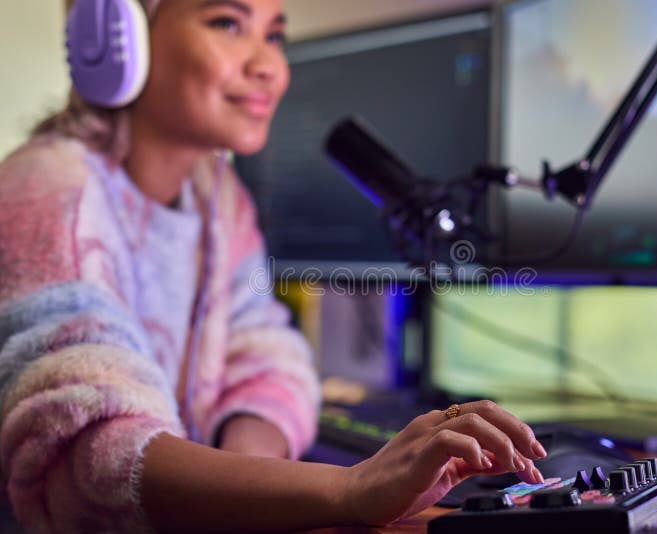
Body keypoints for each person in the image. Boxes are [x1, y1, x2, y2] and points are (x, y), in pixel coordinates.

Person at [0, 0, 548, 531]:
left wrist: (253, 482)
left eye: (275, 34)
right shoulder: (47, 194)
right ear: (115, 38)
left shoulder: (218, 199)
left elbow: (265, 361)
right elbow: (86, 454)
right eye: (228, 23)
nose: (268, 67)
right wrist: (348, 490)